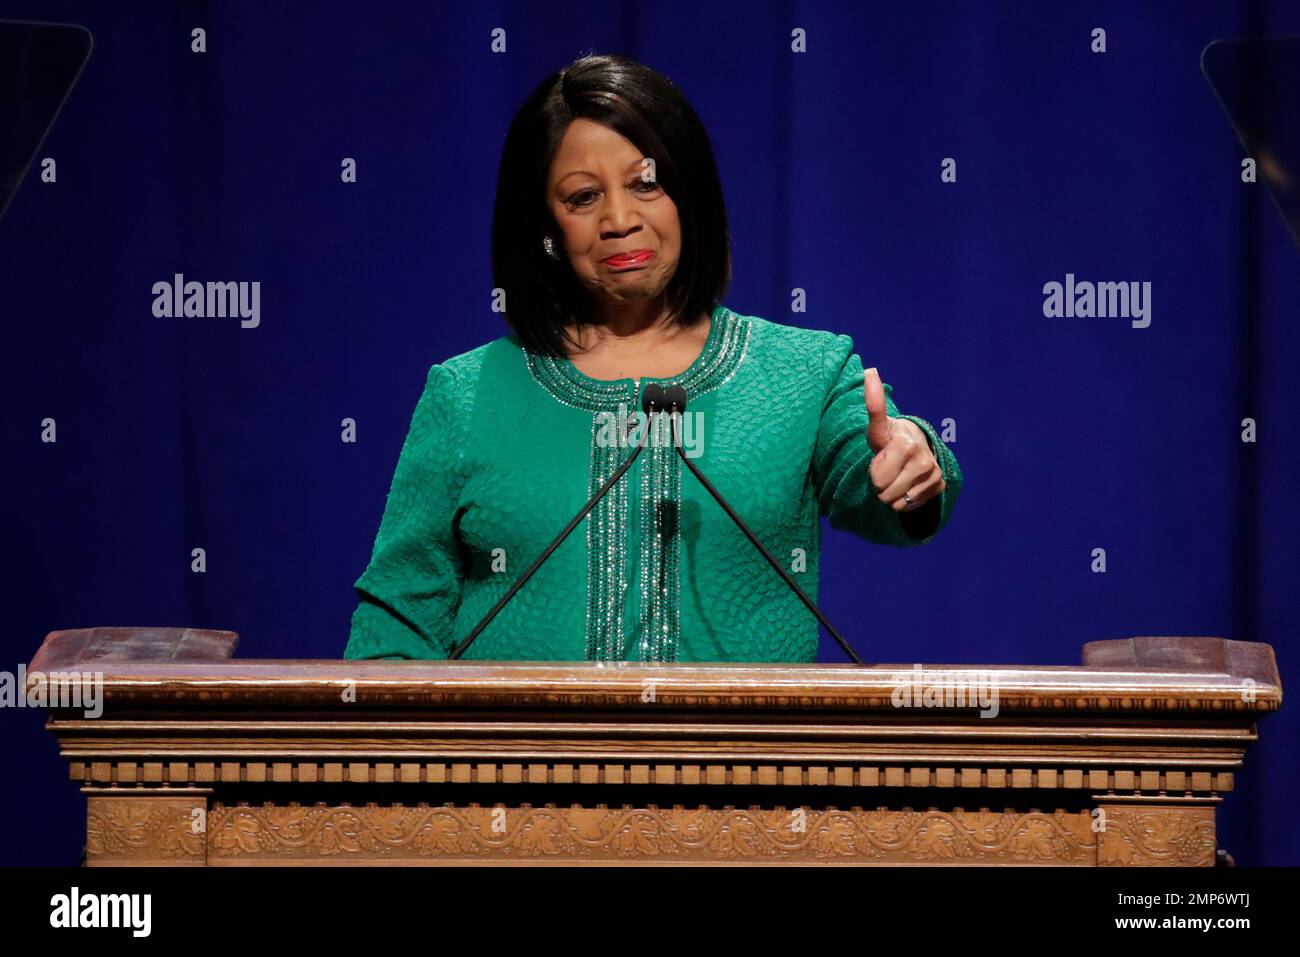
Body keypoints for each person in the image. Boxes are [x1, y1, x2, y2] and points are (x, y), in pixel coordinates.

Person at [343, 53, 962, 664]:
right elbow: (396, 625)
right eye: (583, 197)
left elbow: (877, 471)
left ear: (687, 194)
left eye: (646, 183)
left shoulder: (804, 374)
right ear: (546, 228)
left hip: (737, 764)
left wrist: (911, 461)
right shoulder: (466, 393)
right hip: (525, 765)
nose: (619, 219)